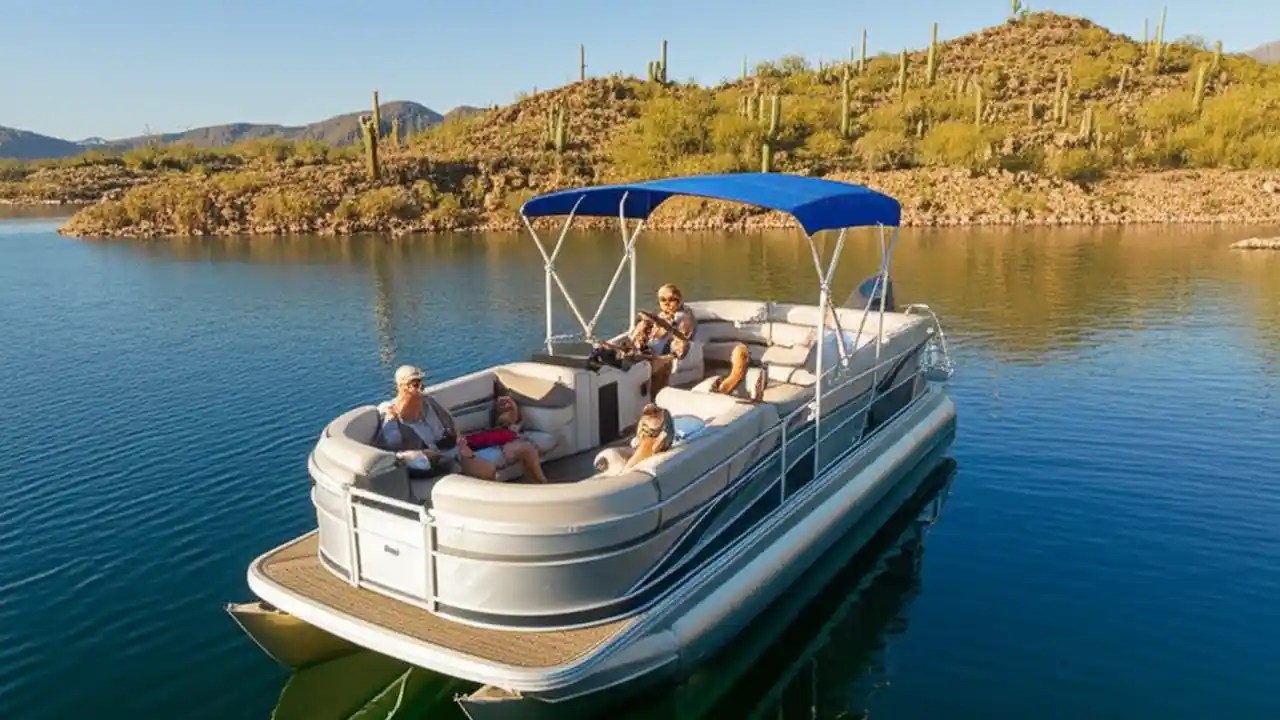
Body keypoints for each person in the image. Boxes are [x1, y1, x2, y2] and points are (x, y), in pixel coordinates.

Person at [375, 365, 549, 484]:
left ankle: (544, 489)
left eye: (420, 383)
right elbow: (392, 448)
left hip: (457, 447)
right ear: (400, 386)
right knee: (487, 471)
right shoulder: (390, 412)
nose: (418, 388)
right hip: (441, 458)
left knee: (527, 449)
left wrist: (459, 440)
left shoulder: (429, 403)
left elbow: (451, 424)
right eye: (413, 384)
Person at [603, 282, 697, 399]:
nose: (667, 303)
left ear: (679, 300)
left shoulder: (682, 318)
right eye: (663, 300)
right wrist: (646, 326)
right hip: (645, 351)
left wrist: (661, 324)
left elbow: (682, 342)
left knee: (633, 362)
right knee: (608, 351)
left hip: (661, 358)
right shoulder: (659, 317)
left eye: (672, 299)